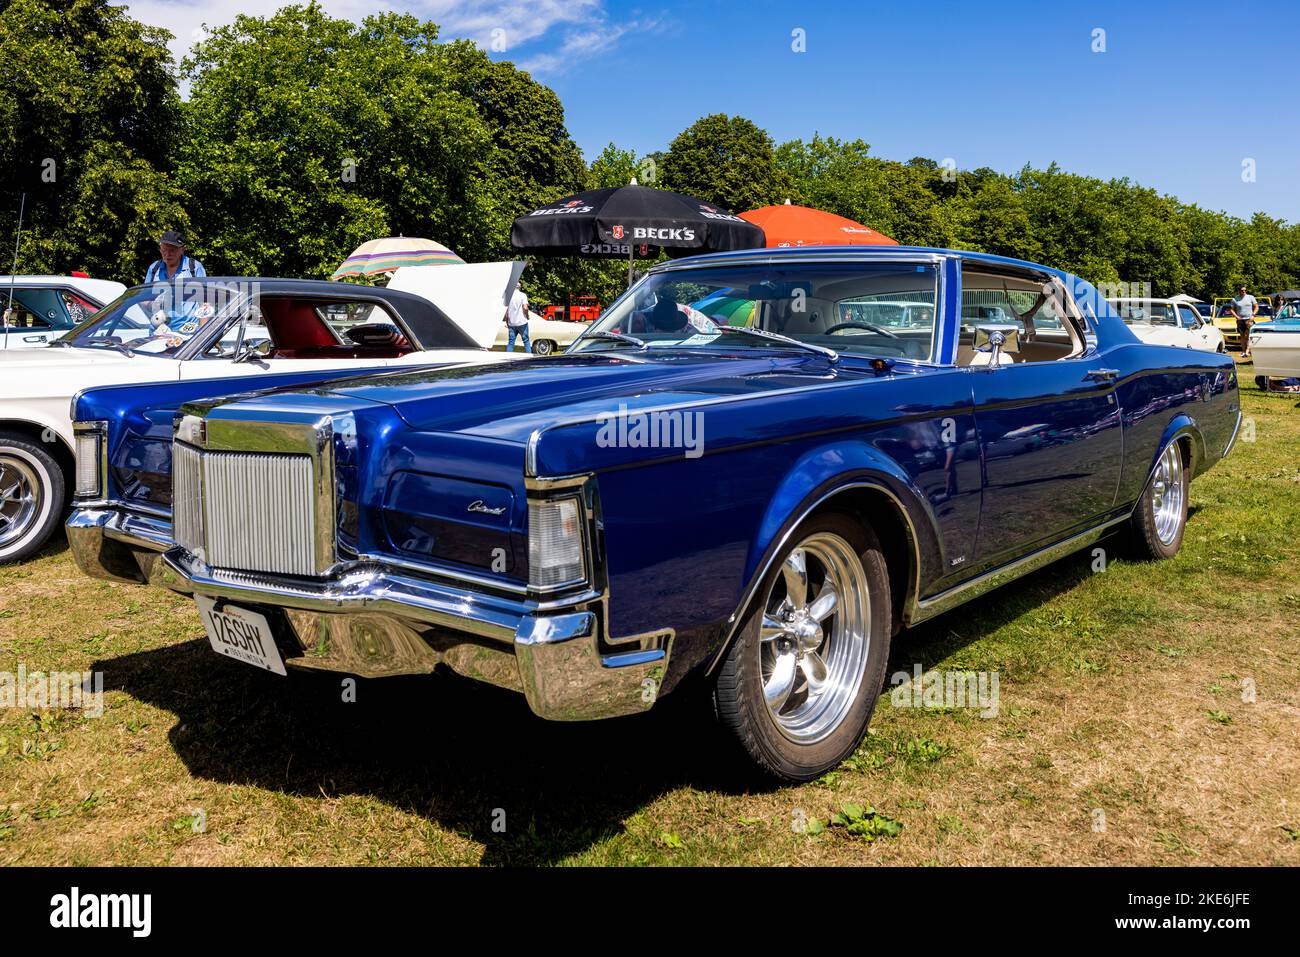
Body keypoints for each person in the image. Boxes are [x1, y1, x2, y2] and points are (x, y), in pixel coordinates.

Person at [1229, 284, 1258, 359]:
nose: (1244, 292)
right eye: (1242, 290)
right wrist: (1237, 317)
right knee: (1242, 336)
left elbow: (1256, 307)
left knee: (1248, 336)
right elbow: (1231, 309)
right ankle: (1243, 350)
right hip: (1240, 320)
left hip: (1249, 319)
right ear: (1239, 291)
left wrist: (1253, 315)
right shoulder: (1235, 299)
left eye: (1245, 290)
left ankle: (1247, 351)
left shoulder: (1251, 297)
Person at [504, 285, 530, 353]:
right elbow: (525, 308)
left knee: (511, 342)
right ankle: (529, 359)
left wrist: (507, 322)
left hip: (512, 323)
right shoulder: (523, 295)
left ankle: (507, 360)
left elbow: (506, 311)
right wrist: (527, 316)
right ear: (520, 287)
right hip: (522, 322)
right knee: (526, 341)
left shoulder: (508, 296)